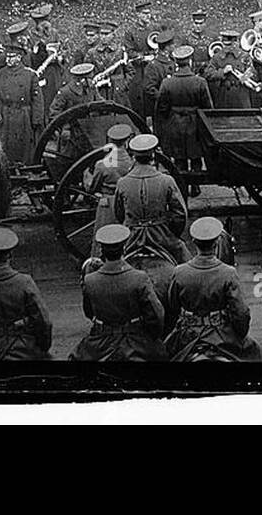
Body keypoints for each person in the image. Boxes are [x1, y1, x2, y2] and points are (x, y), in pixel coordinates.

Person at [165, 217, 262, 362]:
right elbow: (241, 313)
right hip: (222, 336)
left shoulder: (179, 272)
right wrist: (239, 334)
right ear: (216, 242)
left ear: (193, 242)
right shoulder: (228, 272)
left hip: (187, 336)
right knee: (257, 354)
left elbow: (172, 308)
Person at [70, 224, 167, 361]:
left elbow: (89, 312)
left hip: (100, 343)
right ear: (124, 248)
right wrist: (150, 337)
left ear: (102, 251)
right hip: (136, 341)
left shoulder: (90, 280)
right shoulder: (140, 278)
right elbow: (156, 316)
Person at [0, 227, 53, 360]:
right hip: (23, 347)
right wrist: (42, 347)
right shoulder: (24, 282)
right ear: (11, 254)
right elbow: (44, 322)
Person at [115, 133, 188, 265]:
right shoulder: (167, 180)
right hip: (161, 236)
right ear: (153, 155)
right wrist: (172, 232)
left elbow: (119, 214)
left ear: (134, 157)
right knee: (186, 266)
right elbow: (180, 214)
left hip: (131, 238)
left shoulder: (122, 182)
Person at [0, 35, 44, 166]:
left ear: (19, 58)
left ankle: (25, 169)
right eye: (8, 56)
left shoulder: (30, 75)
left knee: (24, 147)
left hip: (24, 116)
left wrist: (36, 120)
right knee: (6, 146)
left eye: (12, 57)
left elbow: (37, 100)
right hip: (5, 115)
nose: (9, 59)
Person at [154, 45, 213, 173]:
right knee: (196, 156)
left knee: (179, 159)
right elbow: (208, 108)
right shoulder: (200, 82)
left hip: (175, 125)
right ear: (190, 61)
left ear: (176, 62)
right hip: (195, 125)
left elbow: (161, 109)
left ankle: (183, 187)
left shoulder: (167, 83)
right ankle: (196, 185)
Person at [85, 124, 135, 252]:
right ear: (127, 141)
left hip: (107, 204)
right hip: (127, 202)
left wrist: (86, 177)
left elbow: (91, 189)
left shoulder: (102, 165)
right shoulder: (132, 163)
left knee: (104, 233)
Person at [141, 26, 176, 125]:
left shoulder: (172, 61)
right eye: (172, 44)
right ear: (167, 47)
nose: (174, 46)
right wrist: (164, 99)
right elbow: (149, 88)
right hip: (161, 109)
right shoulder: (154, 66)